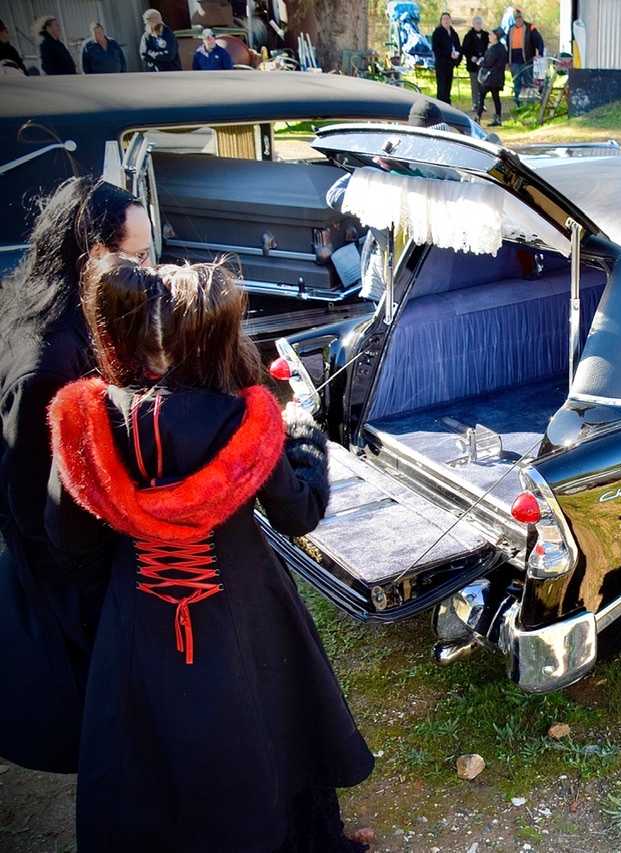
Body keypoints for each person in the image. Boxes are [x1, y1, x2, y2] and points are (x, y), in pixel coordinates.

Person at [46, 256, 375, 851]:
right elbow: (298, 512)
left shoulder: (86, 425)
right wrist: (302, 438)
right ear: (208, 337)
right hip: (244, 614)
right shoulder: (243, 420)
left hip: (136, 622)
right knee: (263, 741)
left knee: (148, 761)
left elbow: (68, 541)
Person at [0, 178, 149, 774]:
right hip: (66, 560)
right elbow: (28, 489)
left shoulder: (48, 302)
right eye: (135, 256)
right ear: (89, 252)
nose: (148, 268)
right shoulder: (47, 359)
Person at [507, 10, 544, 108]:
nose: (518, 19)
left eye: (519, 17)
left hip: (527, 60)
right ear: (514, 19)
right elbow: (508, 44)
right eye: (516, 18)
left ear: (522, 17)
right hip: (514, 61)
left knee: (529, 83)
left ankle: (530, 106)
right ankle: (518, 106)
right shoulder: (510, 29)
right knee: (516, 83)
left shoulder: (530, 27)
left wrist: (540, 53)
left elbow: (539, 41)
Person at [478, 28, 508, 127]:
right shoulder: (501, 47)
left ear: (496, 36)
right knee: (496, 97)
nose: (489, 36)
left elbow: (488, 62)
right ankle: (498, 118)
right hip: (498, 77)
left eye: (491, 34)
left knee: (481, 95)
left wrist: (480, 62)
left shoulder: (494, 48)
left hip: (491, 77)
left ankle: (478, 117)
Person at [461, 16, 488, 120]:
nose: (478, 24)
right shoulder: (468, 35)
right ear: (473, 24)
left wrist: (484, 57)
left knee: (483, 85)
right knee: (474, 85)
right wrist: (471, 57)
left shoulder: (486, 35)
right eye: (476, 23)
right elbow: (465, 49)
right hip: (472, 65)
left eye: (479, 23)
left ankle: (482, 104)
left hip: (484, 65)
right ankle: (475, 103)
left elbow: (488, 48)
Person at [431, 12, 461, 104]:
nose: (446, 21)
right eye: (444, 19)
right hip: (441, 63)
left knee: (448, 86)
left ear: (450, 20)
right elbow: (436, 48)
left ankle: (448, 104)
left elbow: (458, 46)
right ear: (441, 21)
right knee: (442, 86)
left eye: (448, 19)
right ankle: (441, 105)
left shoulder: (453, 33)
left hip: (450, 63)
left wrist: (457, 54)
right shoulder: (437, 32)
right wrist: (449, 54)